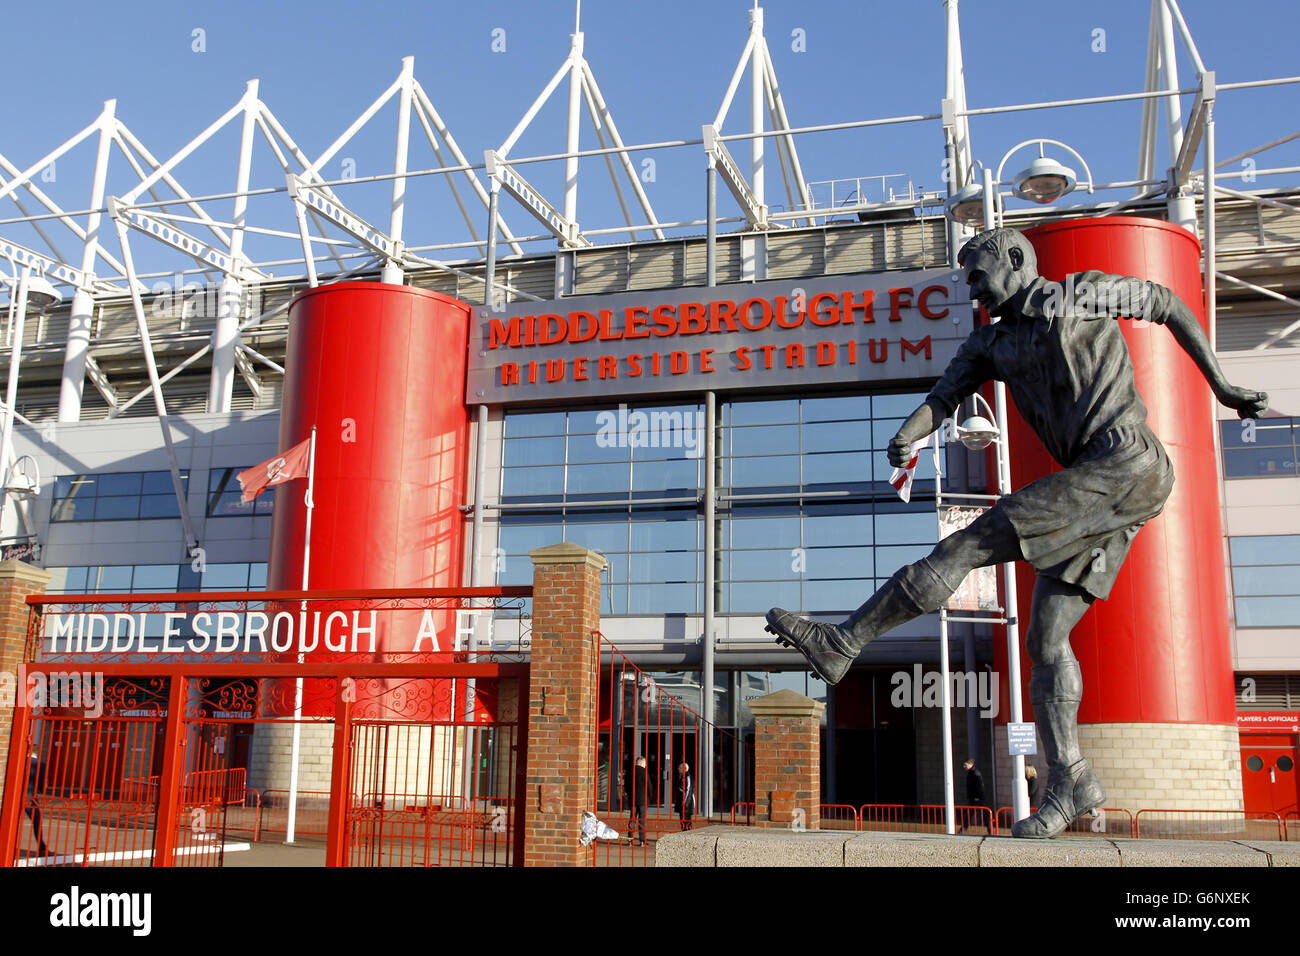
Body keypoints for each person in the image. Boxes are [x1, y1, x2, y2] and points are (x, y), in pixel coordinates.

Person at [765, 226, 1268, 839]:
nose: (973, 288)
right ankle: (1071, 779)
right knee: (1046, 641)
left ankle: (844, 642)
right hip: (1102, 479)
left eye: (978, 274)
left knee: (965, 545)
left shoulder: (1079, 295)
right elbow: (944, 398)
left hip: (1124, 461)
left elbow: (1166, 304)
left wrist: (1222, 386)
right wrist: (911, 431)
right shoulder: (989, 344)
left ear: (1015, 260)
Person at [959, 757, 987, 834]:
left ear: (971, 764)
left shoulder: (975, 773)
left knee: (984, 814)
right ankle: (962, 830)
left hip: (977, 798)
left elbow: (979, 786)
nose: (964, 767)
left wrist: (977, 796)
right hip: (974, 798)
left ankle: (962, 830)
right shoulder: (971, 773)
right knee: (970, 814)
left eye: (966, 765)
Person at [628, 756, 648, 847]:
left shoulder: (630, 771)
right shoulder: (644, 772)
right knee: (642, 820)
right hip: (642, 799)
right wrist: (649, 796)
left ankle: (630, 840)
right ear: (642, 763)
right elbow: (649, 785)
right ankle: (642, 840)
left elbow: (627, 786)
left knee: (632, 819)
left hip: (633, 799)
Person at [677, 762, 695, 831]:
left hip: (687, 804)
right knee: (683, 821)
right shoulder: (682, 777)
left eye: (680, 768)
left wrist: (685, 803)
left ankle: (686, 835)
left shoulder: (688, 777)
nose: (678, 769)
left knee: (686, 821)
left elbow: (688, 791)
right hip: (683, 803)